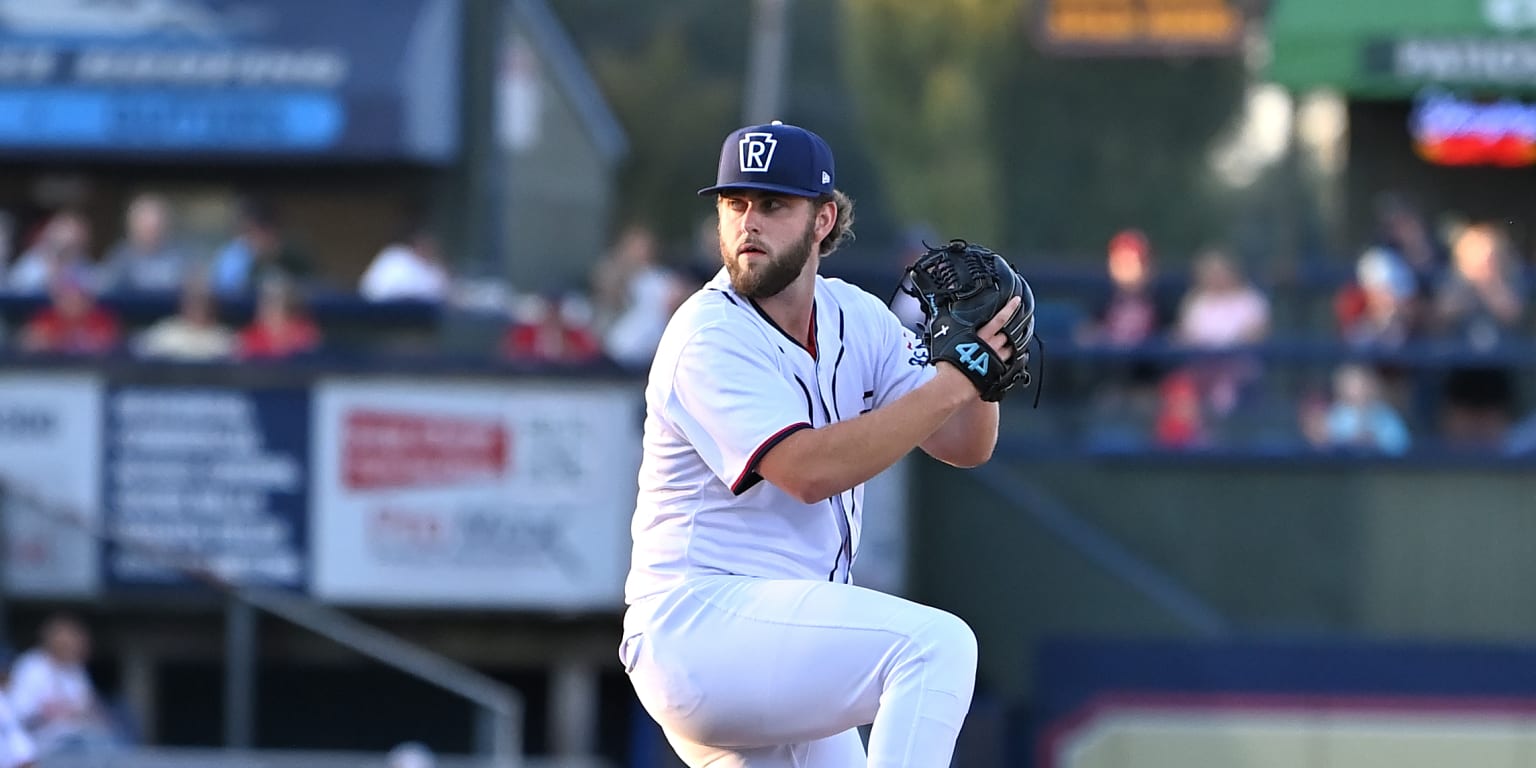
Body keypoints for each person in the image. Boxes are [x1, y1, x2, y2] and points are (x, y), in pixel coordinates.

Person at [620, 122, 1022, 768]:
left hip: (782, 643)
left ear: (823, 219)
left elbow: (961, 442)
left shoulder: (856, 316)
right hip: (698, 626)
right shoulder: (707, 333)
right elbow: (807, 471)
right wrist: (956, 380)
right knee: (935, 646)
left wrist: (989, 364)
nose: (748, 222)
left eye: (773, 204)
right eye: (734, 203)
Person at [6, 614, 118, 756]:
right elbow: (18, 713)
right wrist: (46, 712)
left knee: (110, 741)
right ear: (55, 641)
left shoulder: (75, 670)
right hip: (42, 743)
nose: (77, 646)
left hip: (78, 738)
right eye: (71, 641)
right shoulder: (32, 666)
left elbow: (90, 708)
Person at [96, 193, 191, 294]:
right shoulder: (119, 258)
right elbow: (104, 290)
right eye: (147, 228)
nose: (153, 233)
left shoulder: (180, 258)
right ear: (133, 227)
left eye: (157, 227)